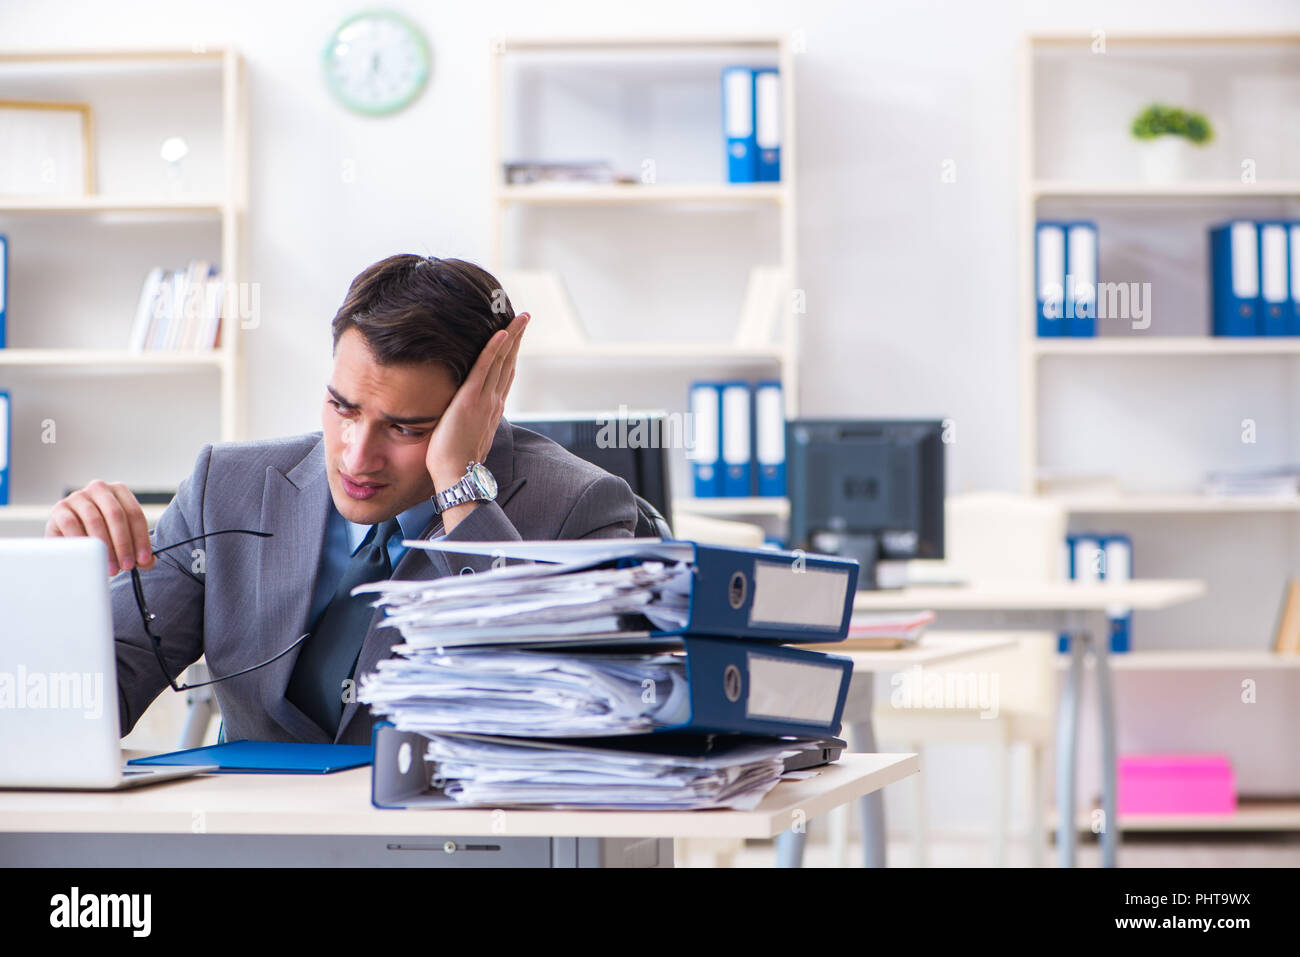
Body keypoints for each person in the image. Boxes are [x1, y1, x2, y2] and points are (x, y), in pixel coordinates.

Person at [45, 255, 638, 744]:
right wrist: (62, 592)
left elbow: (567, 725)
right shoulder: (225, 488)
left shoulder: (579, 508)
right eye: (343, 408)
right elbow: (79, 713)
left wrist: (461, 489)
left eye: (407, 428)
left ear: (483, 406)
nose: (356, 458)